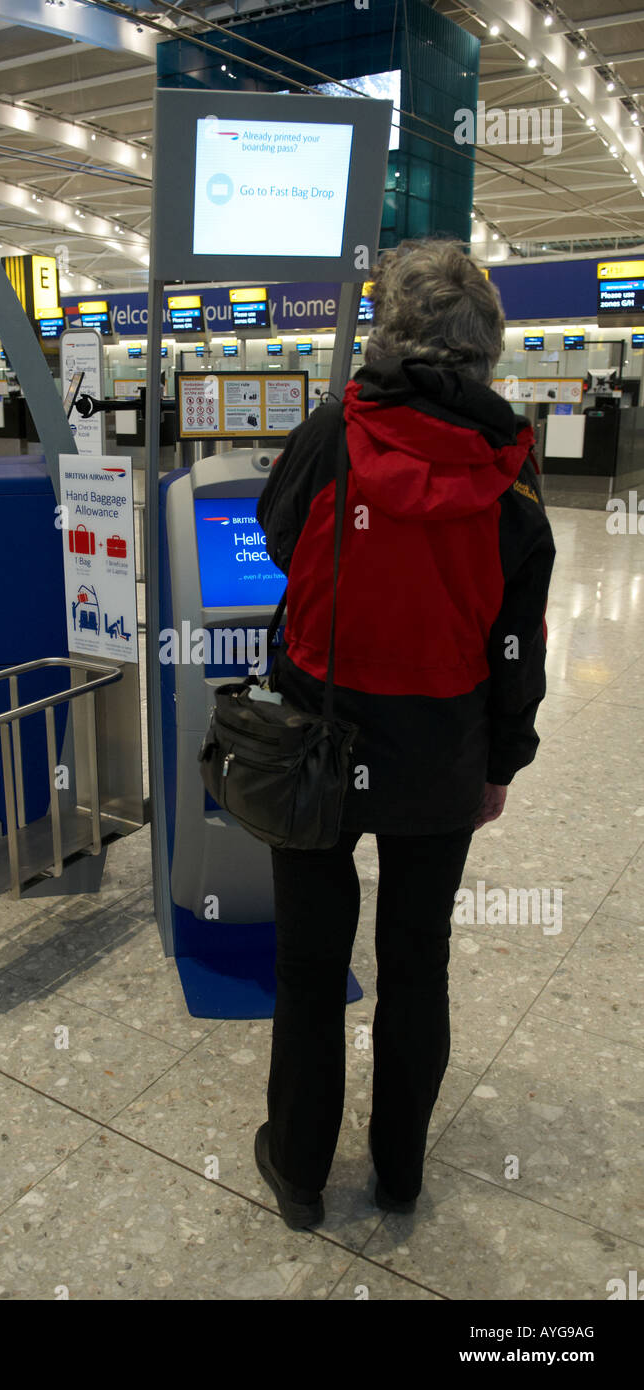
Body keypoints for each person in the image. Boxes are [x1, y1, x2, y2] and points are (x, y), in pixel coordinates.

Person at [253, 238, 555, 1229]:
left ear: (389, 329)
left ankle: (298, 1172)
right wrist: (500, 761)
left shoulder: (331, 431)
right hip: (442, 751)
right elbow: (516, 641)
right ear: (487, 349)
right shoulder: (509, 471)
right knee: (415, 959)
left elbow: (277, 529)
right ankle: (397, 1174)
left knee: (308, 961)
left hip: (315, 742)